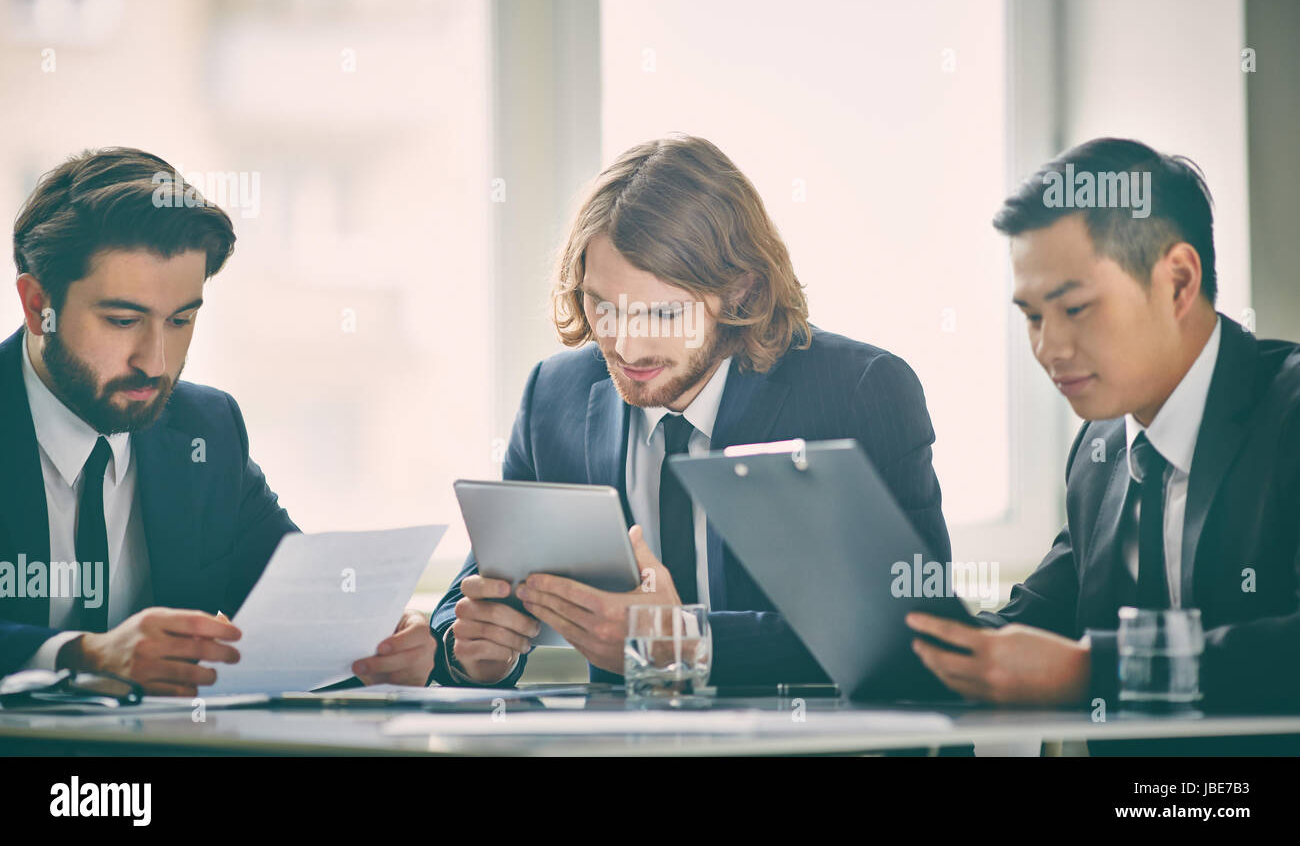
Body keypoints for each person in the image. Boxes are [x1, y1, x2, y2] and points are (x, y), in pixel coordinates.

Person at [431, 134, 949, 687]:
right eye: (602, 306)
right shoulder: (553, 397)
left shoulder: (859, 391)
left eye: (661, 314)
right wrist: (476, 653)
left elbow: (918, 634)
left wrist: (688, 645)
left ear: (742, 292)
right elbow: (477, 592)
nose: (625, 348)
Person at [0, 147, 436, 694]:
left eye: (181, 319)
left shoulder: (205, 429)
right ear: (38, 302)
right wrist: (83, 655)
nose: (154, 362)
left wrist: (382, 647)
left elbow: (302, 614)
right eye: (121, 320)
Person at [907, 138, 1300, 719]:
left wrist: (1095, 670)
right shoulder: (1102, 450)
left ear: (1179, 282)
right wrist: (915, 648)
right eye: (1032, 316)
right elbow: (1037, 618)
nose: (1048, 347)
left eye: (1075, 308)